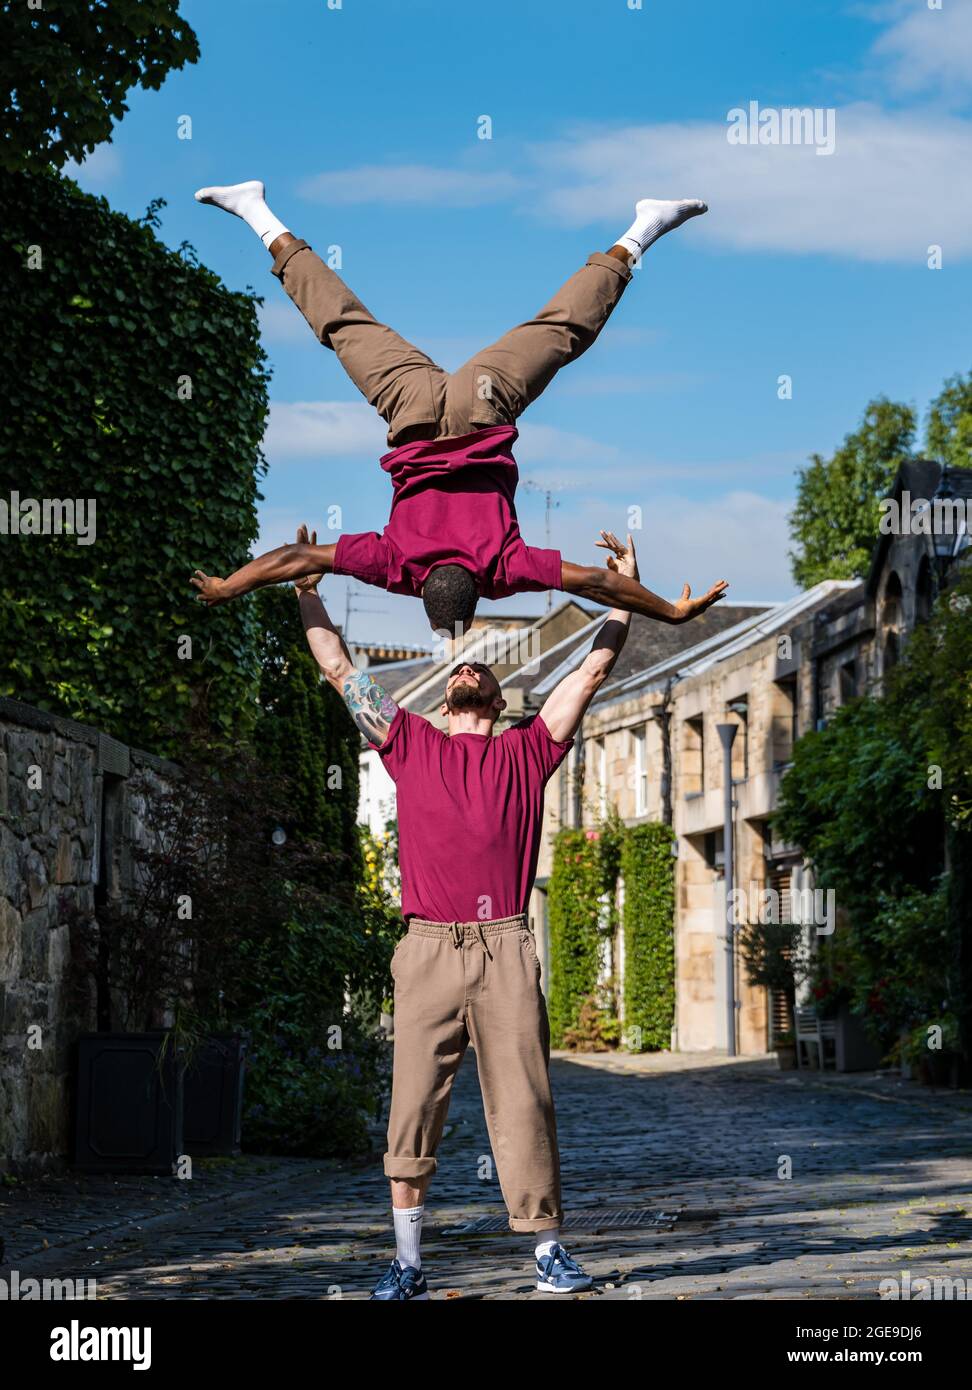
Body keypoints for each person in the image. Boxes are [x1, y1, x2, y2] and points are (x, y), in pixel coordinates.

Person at [292, 526, 640, 1298]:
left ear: (495, 698)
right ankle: (408, 1263)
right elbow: (338, 666)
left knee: (525, 1098)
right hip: (426, 947)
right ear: (449, 697)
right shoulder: (408, 743)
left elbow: (592, 669)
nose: (470, 668)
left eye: (482, 667)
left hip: (505, 946)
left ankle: (548, 1253)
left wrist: (621, 592)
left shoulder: (528, 749)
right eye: (463, 665)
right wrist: (311, 586)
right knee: (411, 1103)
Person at [191, 180, 727, 632]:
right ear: (420, 590)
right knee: (344, 326)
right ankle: (256, 210)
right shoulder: (397, 567)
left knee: (560, 330)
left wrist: (671, 611)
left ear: (481, 596)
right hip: (411, 411)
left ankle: (645, 229)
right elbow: (298, 559)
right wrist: (226, 585)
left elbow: (598, 581)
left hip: (483, 405)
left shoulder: (504, 570)